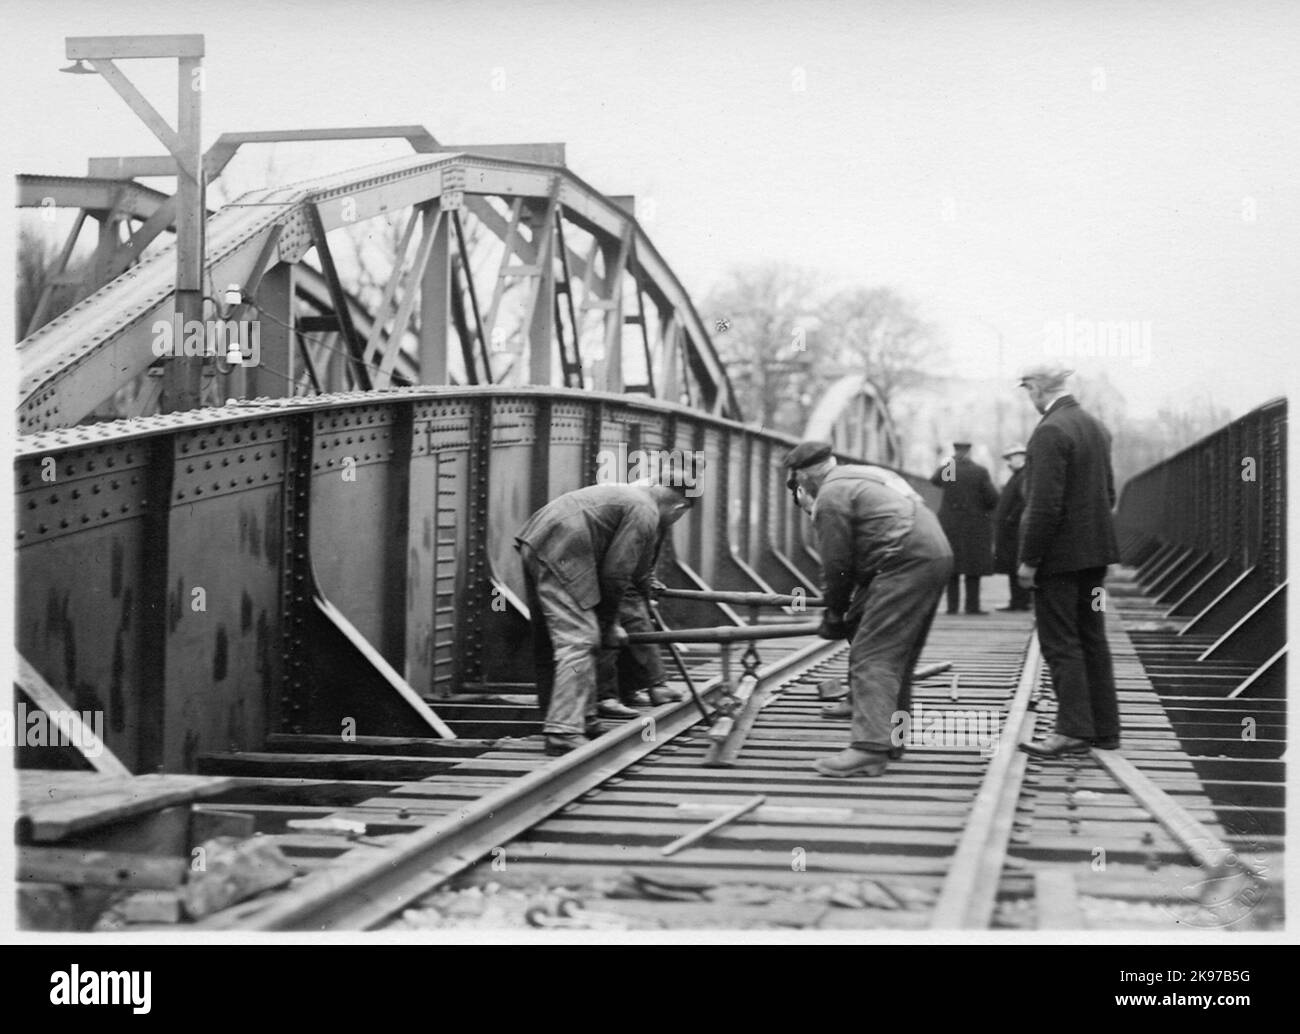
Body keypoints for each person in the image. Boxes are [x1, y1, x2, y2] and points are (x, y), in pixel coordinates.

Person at [786, 441, 953, 778]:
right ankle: (893, 739)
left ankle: (868, 749)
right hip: (934, 553)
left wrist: (834, 612)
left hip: (903, 559)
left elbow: (837, 565)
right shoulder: (866, 474)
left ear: (803, 478)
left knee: (872, 653)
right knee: (899, 654)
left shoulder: (830, 496)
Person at [516, 475, 696, 755]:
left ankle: (581, 717)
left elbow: (629, 570)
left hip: (538, 539)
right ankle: (563, 730)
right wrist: (609, 624)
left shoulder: (632, 496)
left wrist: (644, 586)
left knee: (554, 640)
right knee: (580, 640)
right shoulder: (645, 510)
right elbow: (615, 573)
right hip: (564, 547)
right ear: (679, 509)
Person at [1015, 363, 1123, 757]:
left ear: (1036, 388)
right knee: (1092, 635)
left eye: (1028, 390)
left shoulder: (1049, 431)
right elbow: (1108, 494)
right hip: (1094, 557)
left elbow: (1044, 505)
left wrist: (1030, 560)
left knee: (1060, 641)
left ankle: (1073, 729)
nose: (1029, 399)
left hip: (1059, 560)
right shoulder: (1096, 427)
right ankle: (1104, 729)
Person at [930, 440, 999, 614]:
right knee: (972, 566)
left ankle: (952, 608)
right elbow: (992, 498)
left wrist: (949, 462)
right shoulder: (979, 471)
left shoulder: (951, 470)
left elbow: (936, 481)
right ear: (970, 452)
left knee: (953, 566)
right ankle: (972, 607)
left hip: (950, 524)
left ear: (955, 451)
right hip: (974, 525)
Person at [992, 443, 1032, 612]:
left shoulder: (1023, 476)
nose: (1009, 462)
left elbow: (1023, 500)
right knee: (1012, 566)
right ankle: (1017, 601)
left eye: (1011, 458)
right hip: (1011, 530)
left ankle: (1020, 601)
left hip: (1014, 530)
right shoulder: (1019, 475)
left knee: (1016, 565)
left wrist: (1011, 517)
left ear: (1021, 457)